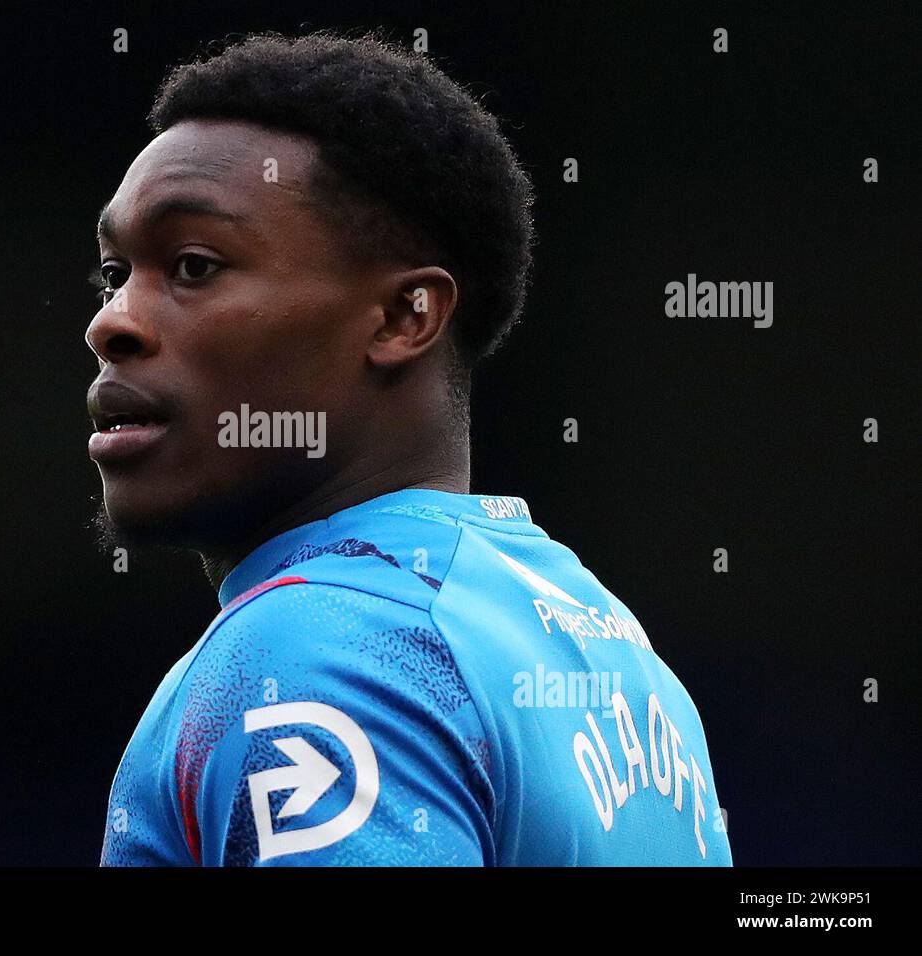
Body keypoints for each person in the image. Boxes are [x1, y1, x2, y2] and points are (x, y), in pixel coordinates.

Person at [85, 30, 732, 866]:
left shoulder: (317, 649)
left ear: (401, 317)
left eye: (195, 265)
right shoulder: (614, 650)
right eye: (113, 273)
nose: (113, 322)